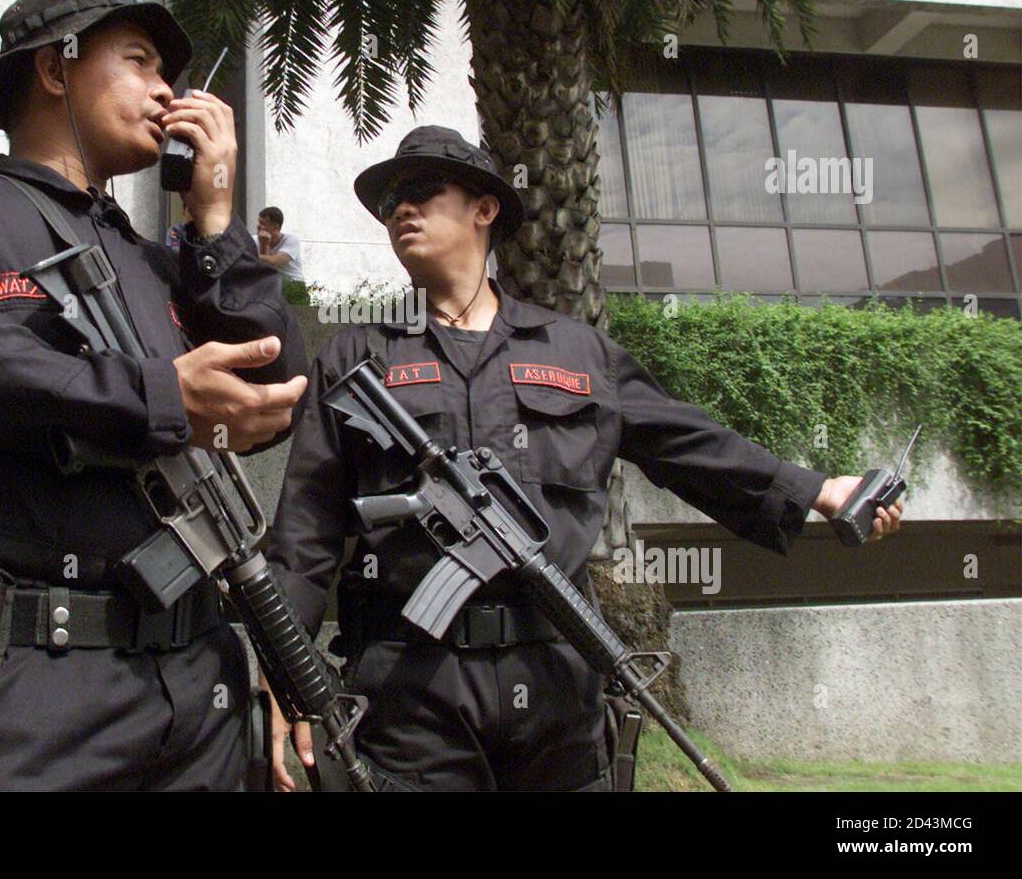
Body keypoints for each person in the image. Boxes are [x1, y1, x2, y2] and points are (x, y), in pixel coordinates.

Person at [263, 125, 903, 792]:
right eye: (390, 200)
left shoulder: (576, 351)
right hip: (409, 688)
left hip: (557, 684)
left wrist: (817, 490)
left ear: (485, 209)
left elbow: (687, 445)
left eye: (422, 191)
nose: (400, 209)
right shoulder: (356, 357)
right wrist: (284, 681)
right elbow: (304, 533)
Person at [0, 0, 308, 791]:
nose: (168, 91)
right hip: (23, 695)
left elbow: (278, 380)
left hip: (201, 695)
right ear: (57, 68)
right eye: (143, 62)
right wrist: (151, 398)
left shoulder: (165, 263)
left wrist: (217, 224)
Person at [256, 206, 304, 283]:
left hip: (292, 286)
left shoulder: (291, 240)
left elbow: (274, 262)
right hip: (271, 287)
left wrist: (263, 246)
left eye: (263, 223)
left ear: (276, 227)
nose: (258, 226)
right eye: (259, 222)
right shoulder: (254, 240)